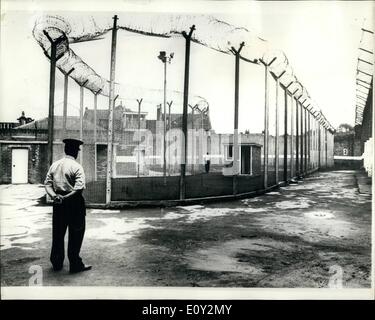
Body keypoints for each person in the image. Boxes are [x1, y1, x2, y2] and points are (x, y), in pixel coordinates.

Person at [44, 138, 92, 274]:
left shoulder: (55, 165)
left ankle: (57, 262)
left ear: (65, 150)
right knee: (76, 234)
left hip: (58, 203)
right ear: (76, 152)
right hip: (74, 203)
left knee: (58, 233)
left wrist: (55, 196)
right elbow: (78, 189)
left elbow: (47, 184)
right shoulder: (77, 167)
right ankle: (75, 264)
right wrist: (65, 197)